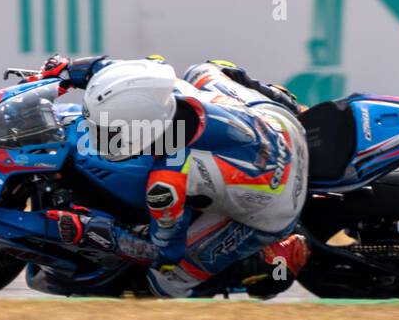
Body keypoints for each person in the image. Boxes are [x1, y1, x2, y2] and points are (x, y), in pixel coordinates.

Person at [36, 55, 310, 298]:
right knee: (203, 71)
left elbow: (163, 254)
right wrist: (67, 69)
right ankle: (297, 108)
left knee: (168, 282)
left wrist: (91, 232)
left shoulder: (166, 184)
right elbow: (111, 72)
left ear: (139, 130)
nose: (100, 136)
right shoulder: (164, 90)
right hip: (282, 125)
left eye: (108, 131)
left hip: (278, 204)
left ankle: (270, 261)